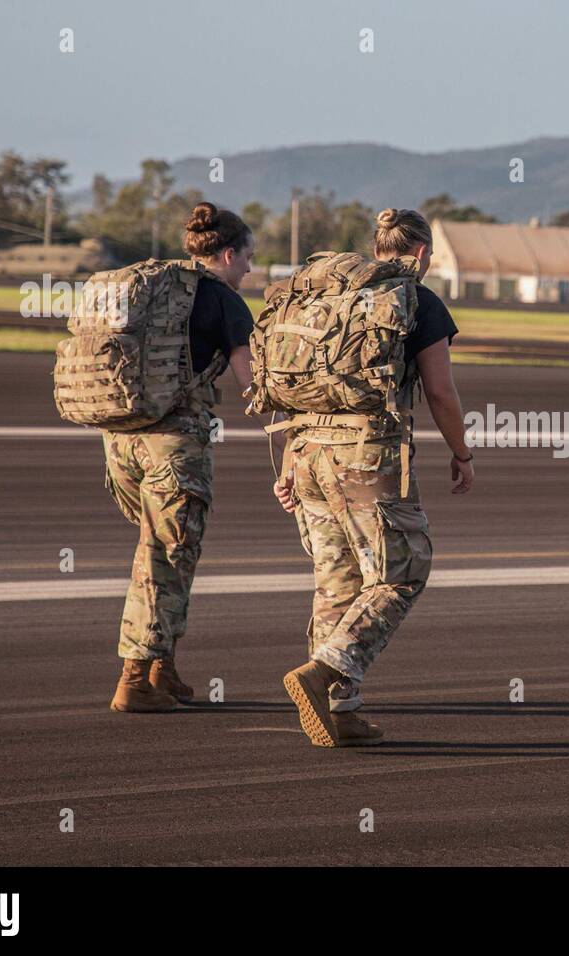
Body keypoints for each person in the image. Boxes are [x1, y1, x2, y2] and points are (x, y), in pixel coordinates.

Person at [274, 208, 474, 746]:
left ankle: (339, 711)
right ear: (423, 253)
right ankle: (326, 670)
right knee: (403, 570)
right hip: (366, 457)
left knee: (336, 579)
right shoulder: (417, 300)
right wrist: (462, 452)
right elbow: (439, 391)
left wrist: (293, 461)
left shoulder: (327, 296)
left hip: (307, 447)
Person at [106, 202, 256, 712]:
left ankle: (161, 667)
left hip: (120, 439)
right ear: (229, 253)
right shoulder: (224, 302)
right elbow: (253, 388)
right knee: (163, 559)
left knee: (167, 551)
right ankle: (133, 679)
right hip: (173, 447)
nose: (251, 270)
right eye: (249, 259)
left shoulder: (155, 288)